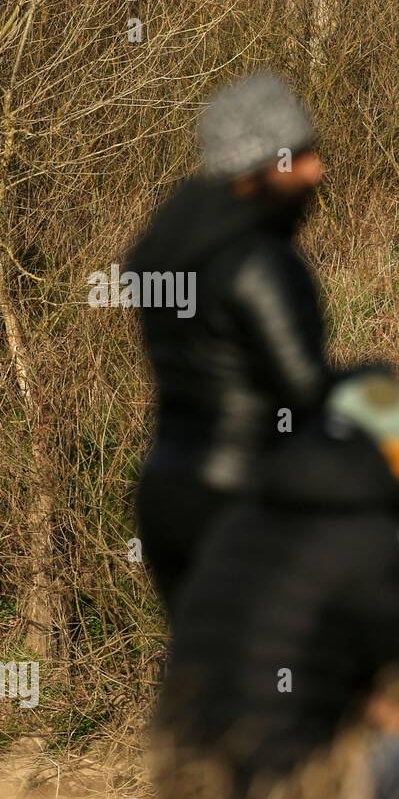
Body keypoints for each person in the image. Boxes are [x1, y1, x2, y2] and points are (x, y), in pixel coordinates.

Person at [150, 367, 399, 799]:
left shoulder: (235, 519)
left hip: (182, 784)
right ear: (396, 461)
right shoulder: (380, 540)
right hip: (291, 796)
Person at [126, 71, 331, 611]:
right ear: (253, 170)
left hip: (168, 499)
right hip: (246, 503)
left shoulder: (169, 250)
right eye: (297, 157)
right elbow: (308, 394)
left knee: (212, 671)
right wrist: (380, 392)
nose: (316, 171)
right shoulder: (258, 261)